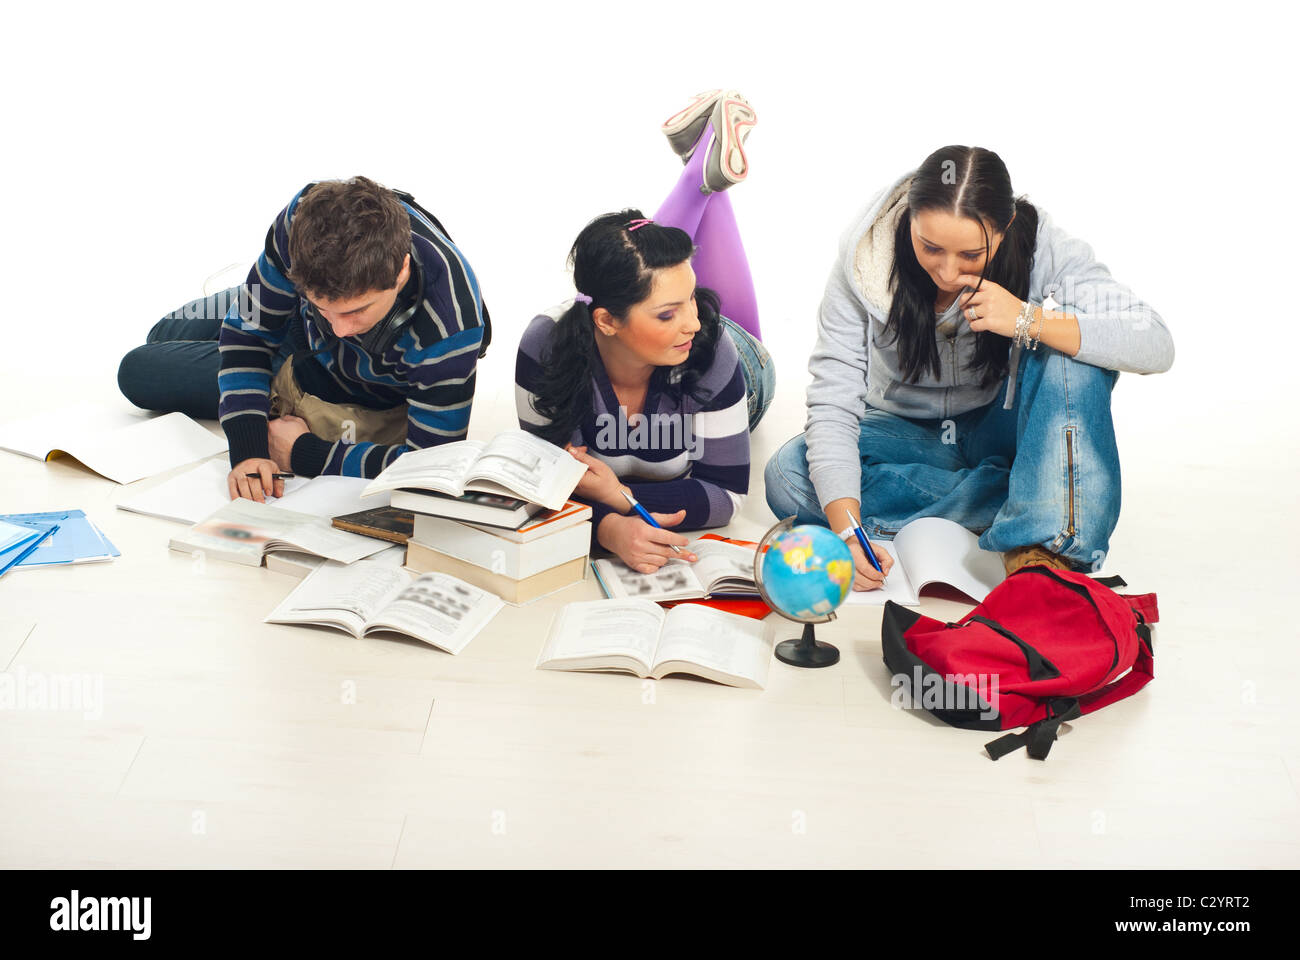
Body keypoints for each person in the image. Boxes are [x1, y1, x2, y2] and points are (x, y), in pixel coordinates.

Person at [765, 145, 1174, 591]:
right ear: (909, 220)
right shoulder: (865, 259)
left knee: (1070, 354)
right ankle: (1039, 500)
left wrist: (1028, 320)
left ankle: (1044, 536)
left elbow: (1154, 341)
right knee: (788, 474)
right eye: (930, 247)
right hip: (911, 434)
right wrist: (847, 532)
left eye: (971, 255)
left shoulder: (1042, 244)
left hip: (1005, 424)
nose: (946, 271)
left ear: (1004, 231)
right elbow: (833, 398)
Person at [515, 90, 775, 573]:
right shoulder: (545, 347)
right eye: (666, 314)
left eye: (689, 302)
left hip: (744, 365)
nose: (689, 322)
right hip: (642, 337)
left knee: (679, 289)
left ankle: (701, 171)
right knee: (651, 272)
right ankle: (701, 162)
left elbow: (727, 495)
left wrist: (615, 498)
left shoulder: (706, 341)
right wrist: (610, 529)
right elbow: (539, 486)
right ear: (604, 321)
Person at [117, 176, 490, 501]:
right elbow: (247, 338)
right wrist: (248, 449)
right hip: (299, 319)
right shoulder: (301, 221)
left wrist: (302, 452)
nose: (342, 330)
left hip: (319, 379)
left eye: (357, 310)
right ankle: (268, 295)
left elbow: (431, 466)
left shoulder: (450, 327)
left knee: (138, 371)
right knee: (164, 332)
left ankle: (268, 299)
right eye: (328, 308)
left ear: (401, 271)